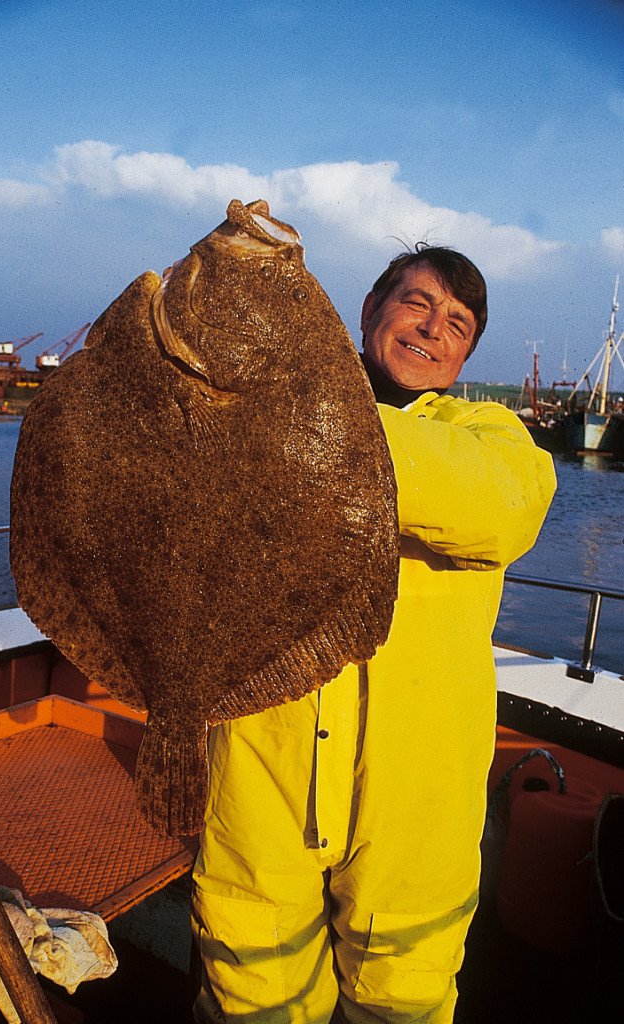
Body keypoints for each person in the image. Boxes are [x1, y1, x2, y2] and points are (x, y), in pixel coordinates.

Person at [190, 244, 557, 1024]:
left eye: (458, 322)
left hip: (419, 796)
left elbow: (506, 505)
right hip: (262, 769)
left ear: (465, 355)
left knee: (404, 1002)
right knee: (249, 995)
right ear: (369, 312)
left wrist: (311, 419)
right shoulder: (256, 403)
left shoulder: (487, 432)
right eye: (418, 302)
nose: (434, 328)